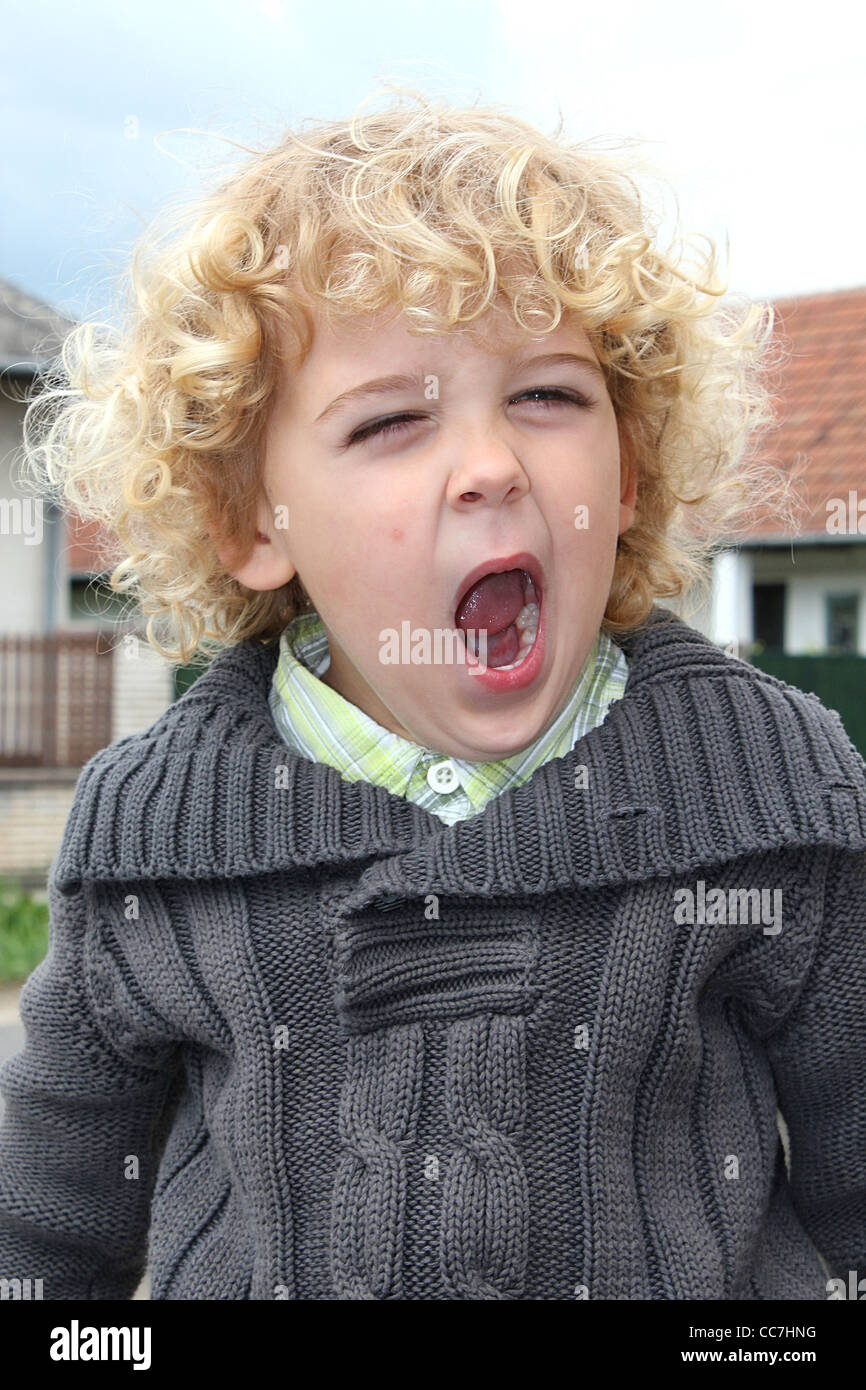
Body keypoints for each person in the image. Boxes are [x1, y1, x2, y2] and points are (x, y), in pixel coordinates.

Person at [1, 86, 864, 1301]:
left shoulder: (774, 791)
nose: (492, 466)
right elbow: (46, 1237)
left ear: (630, 462)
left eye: (550, 395)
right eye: (393, 420)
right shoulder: (152, 835)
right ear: (249, 517)